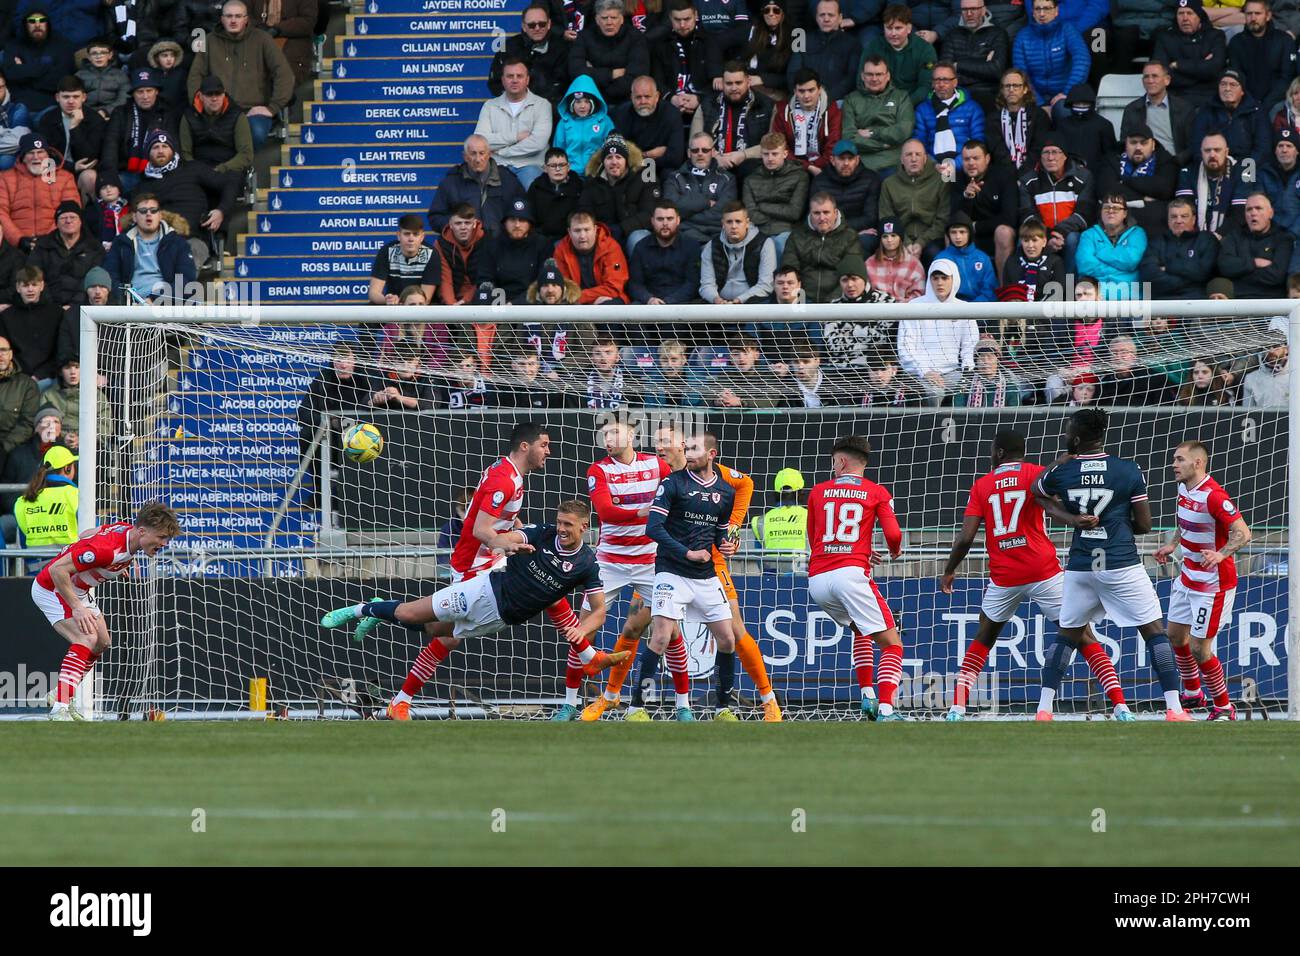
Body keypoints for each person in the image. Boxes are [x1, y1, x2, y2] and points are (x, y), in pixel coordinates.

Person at [323, 501, 623, 720]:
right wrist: (505, 544)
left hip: (499, 619)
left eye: (567, 525)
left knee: (434, 630)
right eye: (559, 522)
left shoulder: (587, 564)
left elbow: (598, 611)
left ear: (584, 527)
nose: (561, 529)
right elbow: (509, 537)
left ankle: (380, 612)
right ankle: (362, 609)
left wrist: (582, 630)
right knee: (409, 615)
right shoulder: (542, 534)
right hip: (482, 592)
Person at [939, 429, 1127, 720]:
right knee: (1083, 635)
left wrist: (950, 570)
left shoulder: (983, 485)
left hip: (1005, 576)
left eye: (992, 450)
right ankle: (1121, 705)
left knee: (983, 637)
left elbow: (965, 538)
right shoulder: (1037, 474)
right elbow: (1056, 506)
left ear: (999, 453)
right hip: (1043, 571)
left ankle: (957, 707)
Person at [1032, 409, 1190, 721]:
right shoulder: (1127, 470)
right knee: (1154, 632)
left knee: (1068, 635)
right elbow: (1144, 524)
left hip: (1081, 566)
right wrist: (1117, 520)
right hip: (1120, 562)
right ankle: (1174, 708)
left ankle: (1043, 709)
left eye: (1067, 433)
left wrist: (1073, 517)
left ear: (1076, 438)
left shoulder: (1061, 472)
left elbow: (1038, 492)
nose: (1065, 437)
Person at [566, 419, 677, 722]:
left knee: (670, 632)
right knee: (583, 629)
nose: (609, 439)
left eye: (615, 433)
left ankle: (682, 706)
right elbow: (606, 512)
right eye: (604, 435)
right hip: (609, 563)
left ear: (631, 435)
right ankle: (569, 703)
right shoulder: (599, 470)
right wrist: (647, 509)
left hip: (651, 562)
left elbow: (678, 492)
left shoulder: (656, 465)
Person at [32, 501, 180, 720]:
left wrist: (115, 568)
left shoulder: (124, 531)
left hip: (78, 588)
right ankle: (60, 708)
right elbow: (57, 570)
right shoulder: (106, 551)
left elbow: (86, 534)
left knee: (103, 642)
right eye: (160, 537)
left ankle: (60, 693)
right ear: (141, 531)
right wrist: (78, 608)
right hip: (52, 588)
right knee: (86, 637)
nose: (164, 543)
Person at [627, 432, 738, 722]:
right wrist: (687, 553)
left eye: (695, 449)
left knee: (727, 639)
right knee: (661, 636)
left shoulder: (726, 491)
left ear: (712, 454)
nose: (688, 454)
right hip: (671, 572)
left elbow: (720, 533)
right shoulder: (673, 483)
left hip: (705, 576)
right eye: (686, 448)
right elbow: (653, 527)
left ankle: (723, 708)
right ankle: (635, 707)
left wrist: (728, 544)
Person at [805, 435, 906, 719]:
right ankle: (886, 710)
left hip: (818, 580)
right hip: (850, 574)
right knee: (892, 644)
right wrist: (895, 551)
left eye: (833, 461)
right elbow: (894, 534)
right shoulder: (876, 492)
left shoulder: (817, 491)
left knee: (862, 629)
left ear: (842, 460)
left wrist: (855, 550)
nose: (832, 466)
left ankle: (867, 696)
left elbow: (815, 538)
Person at [1152, 441, 1250, 720]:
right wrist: (1172, 544)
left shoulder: (1215, 496)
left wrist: (1221, 555)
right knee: (1174, 636)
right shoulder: (1184, 488)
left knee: (1199, 648)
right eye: (1174, 459)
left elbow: (1243, 532)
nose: (1174, 464)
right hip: (1187, 575)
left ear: (1198, 463)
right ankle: (1193, 693)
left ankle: (1223, 706)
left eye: (1179, 459)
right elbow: (1184, 520)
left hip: (1213, 584)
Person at [186, 0, 294, 149]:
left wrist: (272, 107)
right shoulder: (209, 41)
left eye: (238, 16)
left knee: (255, 133)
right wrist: (200, 104)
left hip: (253, 110)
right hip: (218, 110)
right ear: (222, 19)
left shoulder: (262, 39)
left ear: (246, 19)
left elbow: (284, 74)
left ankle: (242, 168)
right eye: (229, 16)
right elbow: (195, 75)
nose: (233, 20)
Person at [131, 129, 236, 272]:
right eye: (155, 147)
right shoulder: (142, 185)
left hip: (193, 239)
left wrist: (221, 211)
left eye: (165, 146)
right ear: (148, 153)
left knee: (184, 263)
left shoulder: (192, 168)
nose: (160, 151)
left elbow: (228, 184)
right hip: (157, 244)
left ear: (173, 150)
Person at [898, 259, 979, 403]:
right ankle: (933, 425)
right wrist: (925, 371)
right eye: (935, 278)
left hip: (954, 372)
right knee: (935, 391)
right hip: (919, 373)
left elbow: (970, 345)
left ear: (953, 279)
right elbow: (905, 348)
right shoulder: (914, 306)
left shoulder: (964, 307)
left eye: (944, 278)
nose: (939, 283)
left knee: (973, 387)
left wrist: (968, 370)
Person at [474, 56, 554, 190]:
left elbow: (537, 143)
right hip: (498, 166)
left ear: (527, 80)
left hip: (531, 165)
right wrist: (516, 137)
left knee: (535, 193)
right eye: (510, 76)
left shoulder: (542, 105)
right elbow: (481, 141)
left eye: (519, 76)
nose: (515, 80)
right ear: (503, 80)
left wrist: (503, 151)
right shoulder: (490, 106)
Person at [1017, 133, 1094, 269]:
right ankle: (1029, 286)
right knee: (1024, 241)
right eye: (1046, 152)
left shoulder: (1083, 177)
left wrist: (1058, 232)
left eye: (1055, 152)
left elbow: (1084, 214)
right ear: (1040, 156)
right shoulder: (1029, 181)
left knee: (1072, 240)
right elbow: (1027, 214)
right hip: (1041, 234)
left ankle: (1069, 286)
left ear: (1065, 155)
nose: (1050, 157)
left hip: (1069, 233)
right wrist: (1046, 236)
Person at [103, 193, 198, 303]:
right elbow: (110, 275)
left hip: (166, 304)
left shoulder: (177, 242)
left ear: (160, 215)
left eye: (153, 210)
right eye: (143, 211)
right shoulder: (121, 242)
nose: (148, 214)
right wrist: (126, 299)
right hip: (131, 305)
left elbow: (185, 279)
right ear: (134, 217)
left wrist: (155, 299)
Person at [427, 135, 525, 240]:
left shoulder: (508, 180)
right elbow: (435, 217)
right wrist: (457, 226)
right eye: (473, 154)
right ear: (465, 156)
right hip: (464, 249)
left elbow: (523, 214)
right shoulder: (450, 183)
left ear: (489, 155)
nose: (478, 159)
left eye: (482, 153)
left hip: (502, 248)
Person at [689, 60, 775, 179]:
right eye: (729, 83)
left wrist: (743, 155)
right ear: (722, 83)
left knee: (750, 168)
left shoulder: (767, 105)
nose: (734, 88)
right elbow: (694, 141)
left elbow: (773, 144)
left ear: (748, 82)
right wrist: (716, 157)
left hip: (749, 164)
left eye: (738, 83)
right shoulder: (707, 105)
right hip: (714, 162)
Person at [296, 341, 376, 464]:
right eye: (339, 360)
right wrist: (328, 421)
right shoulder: (323, 380)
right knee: (307, 433)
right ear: (333, 361)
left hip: (361, 433)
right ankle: (320, 482)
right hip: (330, 437)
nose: (343, 366)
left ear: (355, 361)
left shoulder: (367, 379)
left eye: (348, 360)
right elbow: (302, 414)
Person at [1012, 0, 1089, 123]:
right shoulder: (1022, 36)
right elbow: (1020, 74)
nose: (1042, 14)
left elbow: (1082, 61)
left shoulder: (1068, 30)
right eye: (1038, 9)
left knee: (1064, 111)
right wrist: (1039, 103)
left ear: (1056, 11)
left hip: (1064, 94)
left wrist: (1067, 92)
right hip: (1034, 96)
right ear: (1033, 12)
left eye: (1047, 8)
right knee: (1029, 114)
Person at [101, 68, 177, 194]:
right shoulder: (121, 112)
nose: (145, 96)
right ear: (133, 94)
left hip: (159, 172)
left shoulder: (167, 113)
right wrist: (110, 175)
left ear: (156, 92)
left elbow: (174, 145)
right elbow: (111, 144)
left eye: (149, 91)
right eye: (140, 92)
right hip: (126, 171)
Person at [1096, 123, 1178, 238]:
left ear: (1153, 145)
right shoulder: (1112, 159)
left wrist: (1124, 181)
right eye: (1133, 142)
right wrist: (1143, 198)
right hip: (1114, 228)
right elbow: (1105, 189)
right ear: (1126, 144)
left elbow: (1164, 189)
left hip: (1154, 227)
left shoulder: (1165, 160)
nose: (1138, 148)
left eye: (1144, 143)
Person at [0, 134, 79, 252]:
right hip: (16, 247)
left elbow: (71, 211)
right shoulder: (5, 178)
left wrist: (49, 240)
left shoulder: (65, 178)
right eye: (31, 153)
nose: (36, 157)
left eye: (40, 152)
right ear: (23, 157)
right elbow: (1, 213)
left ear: (48, 155)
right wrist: (19, 240)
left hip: (55, 245)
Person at [577, 134, 658, 248]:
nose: (614, 162)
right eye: (609, 157)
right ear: (603, 162)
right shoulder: (593, 183)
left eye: (618, 157)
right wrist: (603, 231)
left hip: (633, 232)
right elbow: (584, 214)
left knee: (638, 238)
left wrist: (622, 228)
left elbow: (650, 213)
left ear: (627, 160)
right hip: (603, 236)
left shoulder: (644, 178)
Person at [879, 139, 950, 266]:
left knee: (936, 257)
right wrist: (905, 242)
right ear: (901, 159)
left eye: (918, 154)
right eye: (908, 155)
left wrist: (921, 243)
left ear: (925, 158)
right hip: (898, 239)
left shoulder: (940, 181)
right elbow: (886, 217)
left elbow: (943, 219)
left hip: (931, 238)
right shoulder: (889, 184)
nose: (913, 159)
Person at [780, 192, 860, 303]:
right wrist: (803, 300)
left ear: (836, 213)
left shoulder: (850, 237)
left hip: (837, 303)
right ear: (810, 214)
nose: (822, 218)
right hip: (803, 301)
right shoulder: (796, 236)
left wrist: (830, 303)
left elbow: (851, 274)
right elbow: (790, 272)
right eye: (816, 213)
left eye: (826, 212)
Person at [841, 56, 916, 174]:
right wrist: (882, 145)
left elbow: (903, 130)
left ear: (888, 76)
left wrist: (872, 133)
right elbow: (849, 137)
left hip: (893, 163)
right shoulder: (851, 99)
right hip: (862, 164)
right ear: (862, 76)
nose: (874, 79)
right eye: (869, 74)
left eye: (879, 74)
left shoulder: (901, 97)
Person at [953, 139, 1017, 275]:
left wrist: (976, 226)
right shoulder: (956, 178)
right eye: (966, 159)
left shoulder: (1004, 176)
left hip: (995, 234)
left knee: (1004, 232)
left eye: (976, 158)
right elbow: (954, 217)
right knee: (952, 233)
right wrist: (967, 197)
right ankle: (957, 288)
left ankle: (1003, 290)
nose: (971, 163)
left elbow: (1009, 217)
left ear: (987, 159)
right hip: (969, 236)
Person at [568, 0, 651, 105]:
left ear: (621, 19)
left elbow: (637, 76)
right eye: (604, 18)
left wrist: (593, 72)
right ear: (597, 19)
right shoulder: (584, 37)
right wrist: (612, 74)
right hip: (592, 102)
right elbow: (576, 72)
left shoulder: (635, 37)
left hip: (626, 101)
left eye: (614, 18)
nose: (609, 22)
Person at [36, 76, 105, 201]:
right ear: (57, 98)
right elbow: (44, 154)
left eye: (76, 97)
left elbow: (88, 158)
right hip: (55, 167)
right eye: (66, 97)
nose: (71, 101)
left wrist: (75, 127)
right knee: (47, 172)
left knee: (90, 177)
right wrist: (70, 167)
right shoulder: (48, 119)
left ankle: (87, 216)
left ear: (84, 97)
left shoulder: (94, 120)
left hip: (83, 170)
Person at [488, 1, 571, 104]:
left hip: (551, 108)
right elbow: (495, 83)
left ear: (549, 24)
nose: (537, 28)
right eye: (532, 25)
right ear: (524, 26)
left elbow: (564, 85)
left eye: (542, 24)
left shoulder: (561, 48)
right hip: (514, 107)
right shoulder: (509, 47)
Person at [912, 61, 985, 178]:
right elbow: (919, 143)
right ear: (932, 83)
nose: (941, 84)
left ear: (955, 82)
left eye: (946, 80)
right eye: (937, 80)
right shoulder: (922, 109)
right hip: (932, 169)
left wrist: (954, 165)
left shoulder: (972, 108)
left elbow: (979, 143)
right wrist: (934, 165)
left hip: (965, 169)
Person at [13, 442, 78, 570]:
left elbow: (22, 540)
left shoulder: (22, 501)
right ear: (67, 468)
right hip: (72, 572)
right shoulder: (77, 496)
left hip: (36, 575)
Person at [26, 200, 104, 308]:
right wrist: (52, 306)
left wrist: (74, 306)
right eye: (63, 218)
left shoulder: (94, 248)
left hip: (82, 307)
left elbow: (93, 280)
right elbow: (34, 276)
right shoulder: (43, 246)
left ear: (81, 221)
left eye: (73, 217)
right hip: (47, 306)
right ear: (56, 223)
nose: (68, 221)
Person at [663, 133, 736, 246]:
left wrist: (687, 212)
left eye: (705, 150)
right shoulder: (675, 178)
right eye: (695, 150)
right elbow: (670, 211)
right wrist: (706, 203)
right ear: (688, 153)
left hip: (718, 238)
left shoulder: (727, 178)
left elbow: (724, 214)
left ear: (712, 152)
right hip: (685, 238)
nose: (700, 154)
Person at [1120, 60, 1197, 167]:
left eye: (1155, 76)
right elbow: (1125, 142)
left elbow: (1193, 145)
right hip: (1141, 164)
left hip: (1174, 165)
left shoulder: (1185, 109)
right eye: (1146, 77)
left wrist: (1176, 162)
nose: (1150, 80)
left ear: (1167, 80)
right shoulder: (1131, 109)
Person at [1216, 192, 1294, 298]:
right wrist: (1253, 262)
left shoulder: (1283, 238)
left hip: (1272, 301)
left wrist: (1238, 272)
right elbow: (1225, 266)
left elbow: (1277, 276)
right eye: (1249, 209)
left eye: (1258, 208)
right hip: (1238, 300)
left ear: (1270, 213)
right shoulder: (1234, 236)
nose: (1253, 213)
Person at [1139, 196, 1220, 298]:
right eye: (1173, 216)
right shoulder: (1156, 242)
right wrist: (1189, 280)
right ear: (1168, 220)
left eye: (1184, 216)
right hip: (1162, 302)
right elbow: (1148, 274)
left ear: (1194, 219)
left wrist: (1168, 267)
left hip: (1195, 302)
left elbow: (1204, 273)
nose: (1178, 220)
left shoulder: (1206, 239)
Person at [860, 5, 939, 107]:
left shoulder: (925, 50)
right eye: (889, 28)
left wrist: (903, 105)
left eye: (898, 28)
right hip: (878, 103)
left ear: (909, 28)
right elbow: (861, 80)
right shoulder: (873, 47)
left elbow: (926, 86)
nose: (893, 33)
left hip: (913, 105)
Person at [741, 133, 808, 254]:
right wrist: (771, 217)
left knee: (780, 246)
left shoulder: (799, 176)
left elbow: (794, 212)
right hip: (756, 229)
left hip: (785, 230)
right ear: (761, 154)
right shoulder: (751, 179)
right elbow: (749, 212)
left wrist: (762, 206)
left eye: (775, 154)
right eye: (766, 154)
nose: (770, 158)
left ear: (785, 154)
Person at [698, 200, 775, 304]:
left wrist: (739, 300)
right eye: (729, 222)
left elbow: (766, 284)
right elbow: (706, 285)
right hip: (719, 305)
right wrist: (716, 300)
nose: (733, 226)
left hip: (752, 303)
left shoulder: (765, 243)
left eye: (738, 221)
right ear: (723, 224)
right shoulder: (711, 246)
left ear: (747, 223)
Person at [610, 75, 686, 181]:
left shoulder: (671, 114)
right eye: (638, 97)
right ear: (631, 97)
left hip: (662, 170)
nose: (643, 101)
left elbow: (675, 158)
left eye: (647, 96)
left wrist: (637, 157)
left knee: (671, 175)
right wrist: (649, 155)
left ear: (657, 96)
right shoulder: (621, 114)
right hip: (631, 170)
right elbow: (618, 154)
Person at [1074, 193, 1148, 300]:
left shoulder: (1137, 233)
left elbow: (1131, 261)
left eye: (1117, 208)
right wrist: (1119, 272)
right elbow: (1085, 265)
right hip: (1095, 295)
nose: (1111, 211)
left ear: (1125, 213)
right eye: (1106, 207)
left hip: (1129, 294)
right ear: (1101, 212)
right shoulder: (1088, 234)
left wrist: (1101, 252)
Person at [1189, 69, 1271, 165]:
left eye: (1233, 85)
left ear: (1242, 91)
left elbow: (1263, 148)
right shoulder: (1207, 109)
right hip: (1215, 164)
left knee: (1250, 179)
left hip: (1248, 165)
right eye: (1223, 84)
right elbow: (1197, 144)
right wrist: (1215, 166)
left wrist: (1245, 168)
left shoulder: (1256, 111)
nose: (1227, 89)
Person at [1153, 0, 1227, 107]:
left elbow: (1215, 69)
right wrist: (1202, 67)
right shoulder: (1165, 38)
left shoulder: (1215, 36)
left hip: (1209, 98)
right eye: (1181, 13)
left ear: (1199, 16)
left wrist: (1178, 65)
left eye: (1189, 13)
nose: (1185, 18)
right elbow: (1162, 75)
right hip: (1177, 98)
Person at [784, 0, 860, 103]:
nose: (826, 19)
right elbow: (792, 74)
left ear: (840, 18)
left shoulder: (853, 44)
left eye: (831, 15)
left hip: (837, 101)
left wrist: (827, 97)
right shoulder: (802, 40)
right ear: (816, 17)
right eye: (822, 15)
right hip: (803, 99)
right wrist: (805, 95)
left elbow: (851, 78)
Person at [1174, 132, 1250, 235]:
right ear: (1201, 152)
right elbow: (1185, 212)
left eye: (1217, 150)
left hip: (1229, 238)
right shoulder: (1187, 172)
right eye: (1207, 150)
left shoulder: (1243, 172)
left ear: (1226, 152)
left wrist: (1216, 237)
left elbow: (1240, 214)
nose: (1212, 155)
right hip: (1195, 239)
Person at [2, 7, 75, 113]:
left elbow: (61, 81)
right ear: (25, 24)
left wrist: (23, 71)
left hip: (51, 107)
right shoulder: (13, 45)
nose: (37, 25)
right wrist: (45, 68)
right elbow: (10, 74)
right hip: (19, 105)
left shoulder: (62, 46)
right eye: (32, 21)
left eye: (42, 20)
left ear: (47, 23)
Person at [770, 68, 841, 177]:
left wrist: (815, 166)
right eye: (801, 91)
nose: (806, 96)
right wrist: (807, 167)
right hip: (791, 167)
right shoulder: (783, 111)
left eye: (811, 90)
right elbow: (780, 146)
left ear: (819, 89)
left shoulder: (832, 110)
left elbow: (833, 146)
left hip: (824, 168)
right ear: (795, 91)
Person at [628, 200, 702, 304]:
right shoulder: (641, 247)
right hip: (649, 303)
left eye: (670, 219)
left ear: (678, 220)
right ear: (652, 221)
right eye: (660, 219)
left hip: (682, 303)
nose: (665, 223)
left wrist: (669, 302)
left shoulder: (691, 246)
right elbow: (634, 284)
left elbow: (692, 283)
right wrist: (649, 299)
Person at [179, 75, 253, 179]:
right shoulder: (188, 116)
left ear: (224, 94)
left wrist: (221, 169)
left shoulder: (237, 115)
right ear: (200, 96)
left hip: (229, 171)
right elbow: (185, 153)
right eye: (209, 94)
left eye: (218, 94)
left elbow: (246, 154)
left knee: (232, 184)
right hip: (198, 173)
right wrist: (198, 171)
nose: (214, 98)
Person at [942, 0, 1011, 110]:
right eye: (964, 10)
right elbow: (946, 72)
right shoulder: (952, 35)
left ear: (984, 10)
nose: (969, 14)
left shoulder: (998, 34)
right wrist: (983, 66)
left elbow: (996, 70)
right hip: (958, 93)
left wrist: (958, 65)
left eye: (973, 9)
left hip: (988, 94)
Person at [1226, 0, 1293, 111]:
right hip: (1245, 102)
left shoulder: (1284, 40)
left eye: (1257, 13)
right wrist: (1251, 102)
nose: (1253, 18)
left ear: (1268, 16)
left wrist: (1266, 104)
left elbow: (1286, 78)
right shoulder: (1236, 42)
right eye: (1249, 14)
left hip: (1277, 103)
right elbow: (1236, 77)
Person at [818, 141, 882, 257]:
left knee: (866, 240)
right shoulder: (820, 181)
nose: (846, 163)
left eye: (850, 158)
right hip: (828, 232)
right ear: (832, 160)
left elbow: (870, 218)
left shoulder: (871, 179)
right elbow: (813, 217)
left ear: (857, 160)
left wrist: (850, 232)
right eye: (841, 158)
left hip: (860, 233)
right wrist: (847, 232)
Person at [1, 265, 61, 386]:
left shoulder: (57, 314)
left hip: (50, 377)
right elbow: (5, 351)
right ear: (18, 288)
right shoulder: (6, 317)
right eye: (25, 285)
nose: (30, 289)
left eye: (34, 285)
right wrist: (23, 375)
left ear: (42, 286)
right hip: (17, 377)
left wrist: (41, 375)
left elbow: (61, 350)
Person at [553, 209, 630, 304]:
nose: (582, 235)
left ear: (595, 229)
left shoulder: (611, 247)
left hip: (607, 298)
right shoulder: (561, 250)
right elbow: (562, 286)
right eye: (577, 230)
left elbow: (614, 287)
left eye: (586, 230)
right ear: (569, 232)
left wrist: (583, 298)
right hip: (575, 302)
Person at [652, 0, 712, 119]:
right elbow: (656, 80)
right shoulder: (660, 45)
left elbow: (717, 80)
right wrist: (671, 98)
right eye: (678, 20)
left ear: (696, 16)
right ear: (670, 18)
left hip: (704, 105)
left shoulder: (709, 42)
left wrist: (699, 98)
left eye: (687, 19)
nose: (682, 25)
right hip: (670, 105)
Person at [368, 214, 437, 306]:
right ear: (398, 235)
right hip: (393, 306)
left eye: (415, 234)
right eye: (406, 234)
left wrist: (405, 305)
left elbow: (426, 299)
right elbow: (373, 293)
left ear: (422, 237)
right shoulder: (387, 251)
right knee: (370, 307)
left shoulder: (431, 253)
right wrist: (388, 301)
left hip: (419, 306)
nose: (411, 239)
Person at [989, 67, 1046, 171]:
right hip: (1004, 172)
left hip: (1034, 172)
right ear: (1002, 90)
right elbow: (997, 150)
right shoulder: (993, 119)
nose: (1011, 90)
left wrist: (1024, 171)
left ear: (1025, 89)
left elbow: (1038, 148)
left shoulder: (1039, 116)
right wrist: (1012, 172)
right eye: (1007, 86)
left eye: (1016, 86)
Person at [0, 331, 39, 484]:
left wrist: (4, 447)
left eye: (3, 350)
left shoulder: (27, 385)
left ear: (11, 354)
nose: (0, 355)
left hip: (13, 447)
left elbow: (27, 423)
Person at [432, 203, 485, 307]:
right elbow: (445, 279)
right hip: (452, 301)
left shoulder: (486, 240)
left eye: (467, 223)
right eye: (458, 223)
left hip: (479, 298)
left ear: (475, 223)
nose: (463, 227)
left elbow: (485, 278)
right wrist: (452, 306)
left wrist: (465, 300)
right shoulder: (441, 244)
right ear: (450, 225)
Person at [528, 147, 584, 244]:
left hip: (570, 240)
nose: (558, 169)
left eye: (562, 165)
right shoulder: (536, 187)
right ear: (545, 168)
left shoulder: (579, 186)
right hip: (541, 239)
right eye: (553, 165)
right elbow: (530, 217)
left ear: (569, 167)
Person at [1055, 84, 1116, 174]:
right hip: (1067, 176)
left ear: (1091, 104)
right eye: (1077, 103)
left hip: (1096, 176)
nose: (1081, 106)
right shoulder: (1062, 125)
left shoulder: (1104, 125)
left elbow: (1110, 155)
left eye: (1085, 103)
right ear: (1071, 104)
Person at [1001, 216, 1065, 300]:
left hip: (1046, 310)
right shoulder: (1012, 262)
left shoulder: (1055, 262)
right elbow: (1008, 293)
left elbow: (1058, 294)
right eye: (1026, 241)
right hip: (1018, 311)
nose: (1030, 246)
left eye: (1034, 240)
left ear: (1044, 242)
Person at [1098, 335, 1174, 405]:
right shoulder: (1104, 382)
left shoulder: (1155, 379)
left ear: (1134, 356)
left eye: (1124, 352)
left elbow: (1165, 411)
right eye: (1114, 353)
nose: (1118, 357)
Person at [938, 212, 996, 301]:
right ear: (948, 235)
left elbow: (989, 290)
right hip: (953, 310)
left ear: (970, 233)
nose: (958, 236)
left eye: (962, 232)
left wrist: (972, 308)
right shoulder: (941, 260)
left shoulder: (983, 258)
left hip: (982, 309)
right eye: (953, 232)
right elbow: (938, 291)